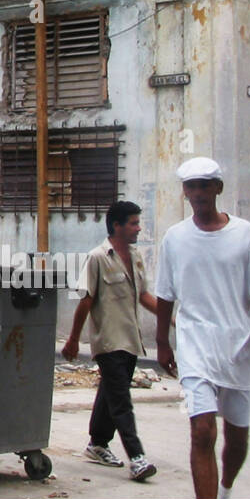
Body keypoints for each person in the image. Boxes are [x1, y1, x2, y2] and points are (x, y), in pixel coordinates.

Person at [154, 157, 250, 499]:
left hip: (238, 347)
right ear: (184, 192)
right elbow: (165, 295)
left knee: (237, 438)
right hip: (195, 345)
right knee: (202, 431)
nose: (198, 192)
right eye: (191, 186)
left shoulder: (244, 234)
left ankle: (225, 490)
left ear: (218, 188)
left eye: (205, 185)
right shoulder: (175, 238)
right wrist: (162, 343)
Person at [62, 200, 158, 481]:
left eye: (138, 222)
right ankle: (137, 458)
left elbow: (144, 296)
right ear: (116, 225)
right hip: (107, 341)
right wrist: (73, 340)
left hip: (130, 340)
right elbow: (86, 300)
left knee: (110, 393)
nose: (138, 228)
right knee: (121, 400)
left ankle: (97, 444)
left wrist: (171, 318)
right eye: (133, 223)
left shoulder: (137, 256)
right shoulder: (97, 257)